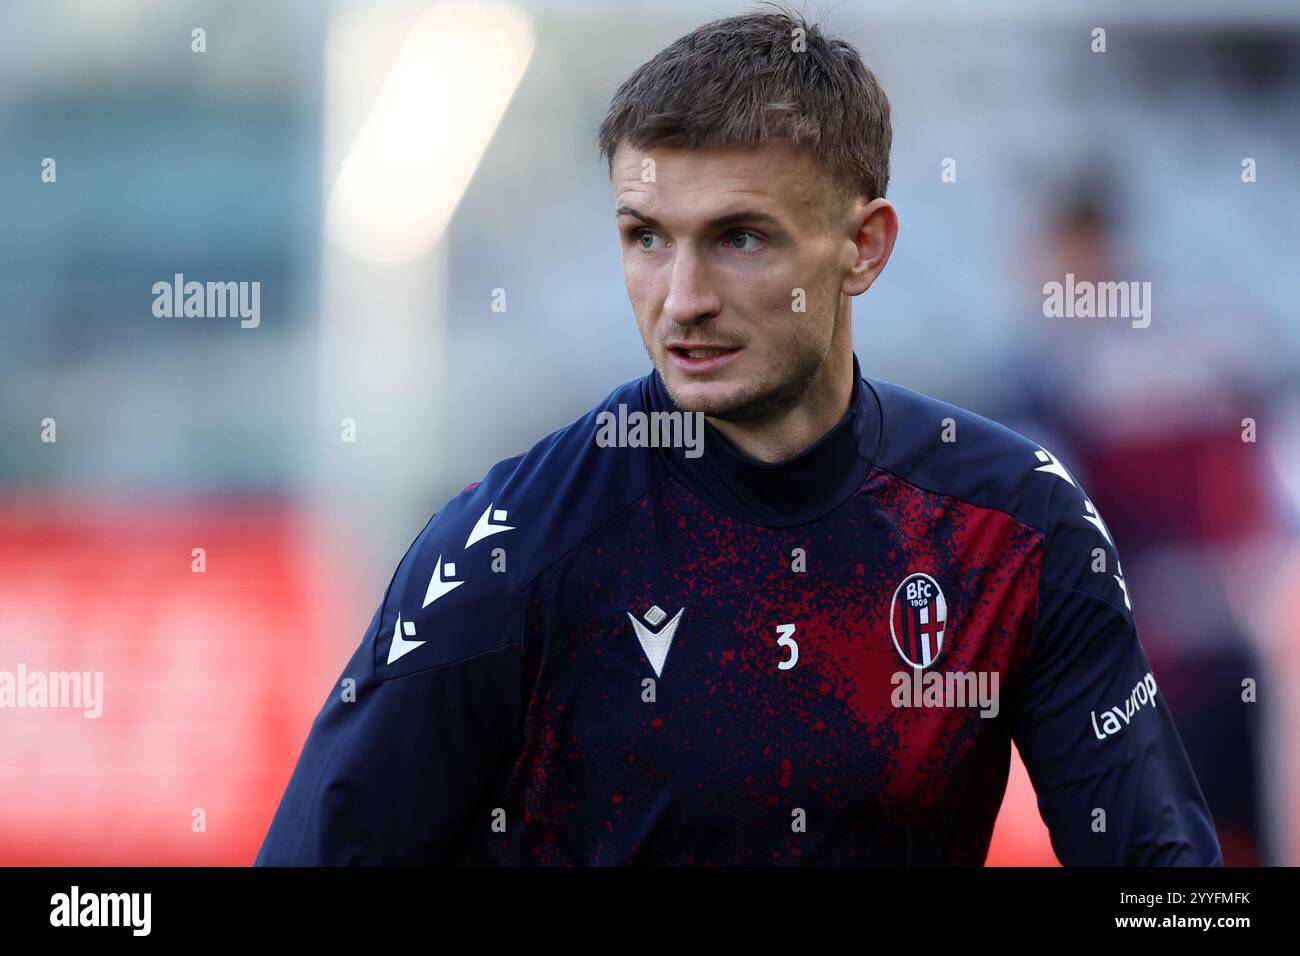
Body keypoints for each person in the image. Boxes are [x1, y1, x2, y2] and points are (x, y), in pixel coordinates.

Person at [255, 2, 1221, 866]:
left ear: (864, 246)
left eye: (740, 238)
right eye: (645, 237)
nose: (683, 301)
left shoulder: (1013, 528)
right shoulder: (505, 553)